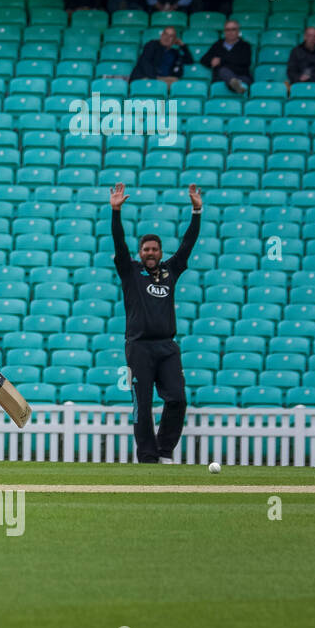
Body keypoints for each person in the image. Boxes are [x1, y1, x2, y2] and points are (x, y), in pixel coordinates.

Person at [109, 182, 202, 464]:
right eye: (146, 249)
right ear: (140, 253)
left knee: (178, 399)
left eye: (155, 249)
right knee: (144, 406)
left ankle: (164, 451)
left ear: (161, 252)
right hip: (138, 347)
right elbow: (119, 243)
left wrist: (197, 211)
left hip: (167, 347)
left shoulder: (170, 271)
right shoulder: (130, 271)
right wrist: (116, 212)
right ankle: (148, 458)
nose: (150, 253)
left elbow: (187, 244)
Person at [199, 20, 252, 94]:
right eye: (227, 30)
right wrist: (212, 60)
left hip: (241, 76)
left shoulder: (245, 46)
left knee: (223, 70)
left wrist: (221, 60)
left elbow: (245, 61)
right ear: (224, 32)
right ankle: (233, 83)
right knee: (223, 71)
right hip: (220, 78)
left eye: (233, 29)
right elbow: (203, 59)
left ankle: (233, 83)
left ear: (238, 31)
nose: (230, 32)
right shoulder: (218, 44)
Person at [128, 25, 193, 85]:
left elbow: (189, 60)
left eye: (171, 36)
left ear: (174, 40)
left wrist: (183, 46)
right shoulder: (152, 45)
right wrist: (155, 78)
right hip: (146, 78)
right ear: (161, 35)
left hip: (162, 81)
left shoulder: (174, 53)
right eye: (165, 34)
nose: (167, 38)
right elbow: (145, 62)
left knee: (176, 82)